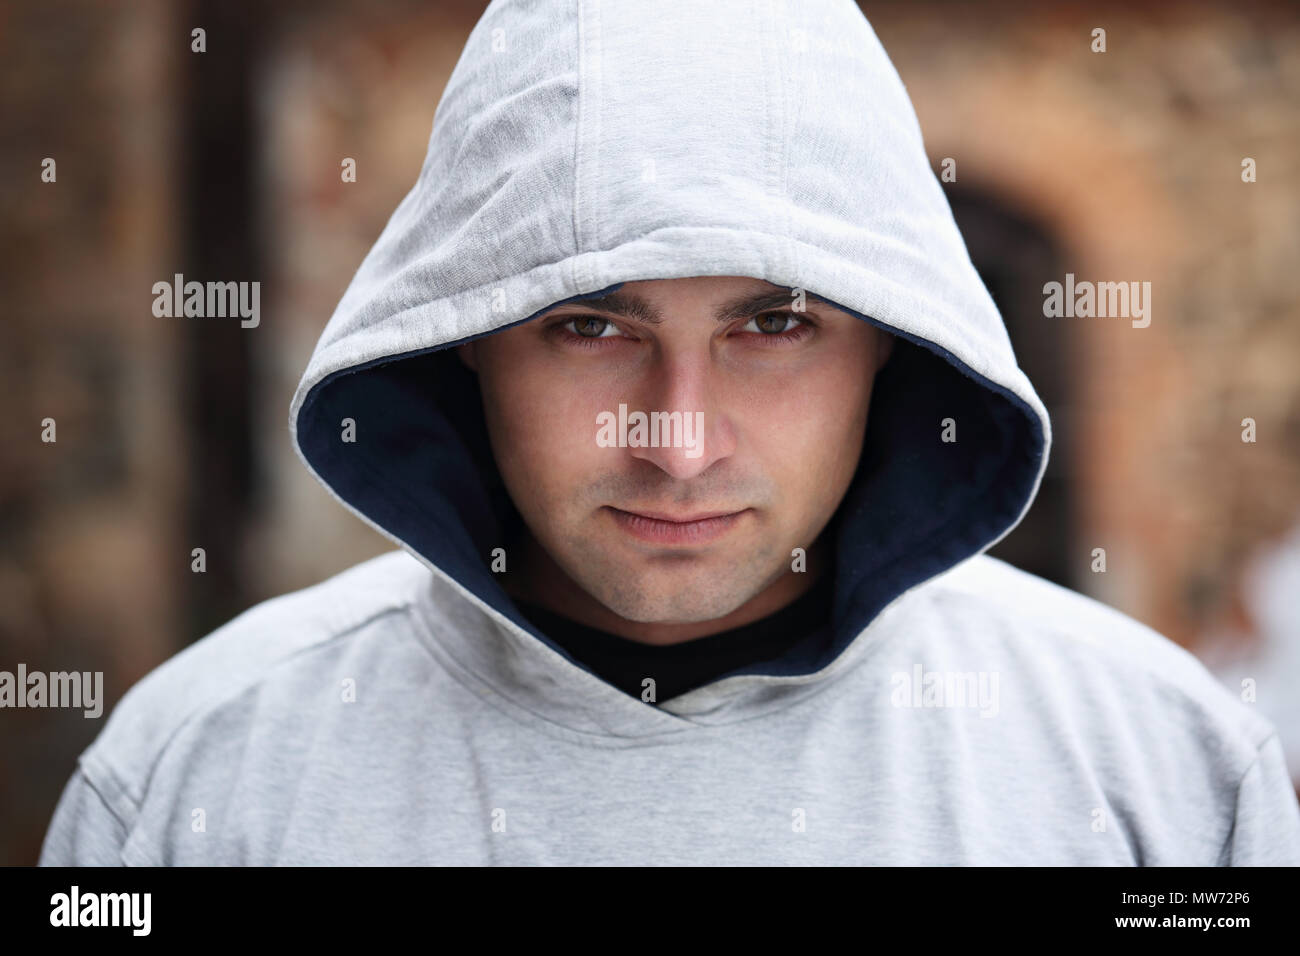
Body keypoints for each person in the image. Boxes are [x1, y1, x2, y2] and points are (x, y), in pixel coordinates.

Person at [40, 0, 1300, 865]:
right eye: (590, 327)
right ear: (470, 335)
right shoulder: (199, 775)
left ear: (891, 347)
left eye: (775, 324)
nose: (679, 440)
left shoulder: (1154, 771)